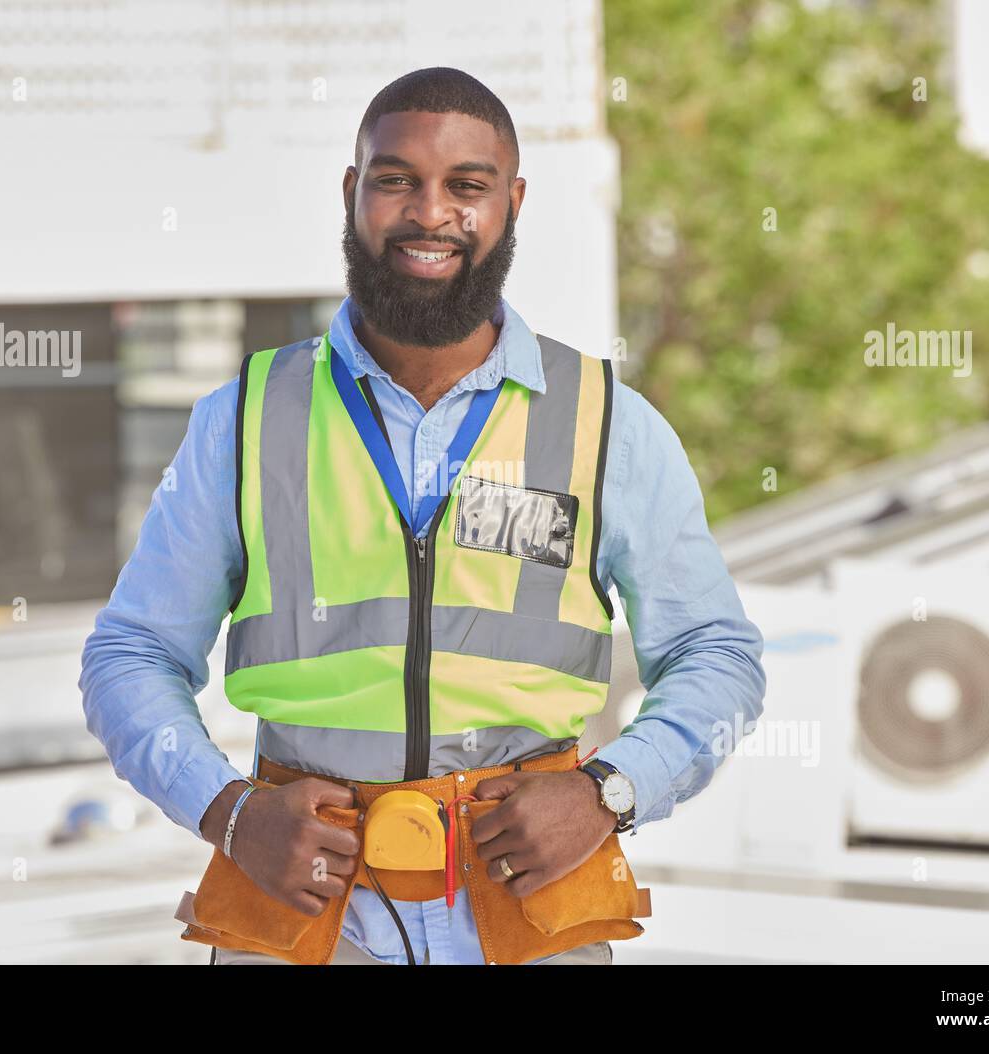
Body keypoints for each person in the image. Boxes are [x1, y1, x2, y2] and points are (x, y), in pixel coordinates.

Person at [80, 66, 766, 966]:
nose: (430, 213)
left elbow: (717, 654)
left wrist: (609, 794)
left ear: (512, 202)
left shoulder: (607, 424)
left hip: (531, 911)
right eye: (396, 179)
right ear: (352, 192)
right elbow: (130, 653)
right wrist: (230, 813)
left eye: (466, 185)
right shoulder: (244, 419)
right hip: (302, 910)